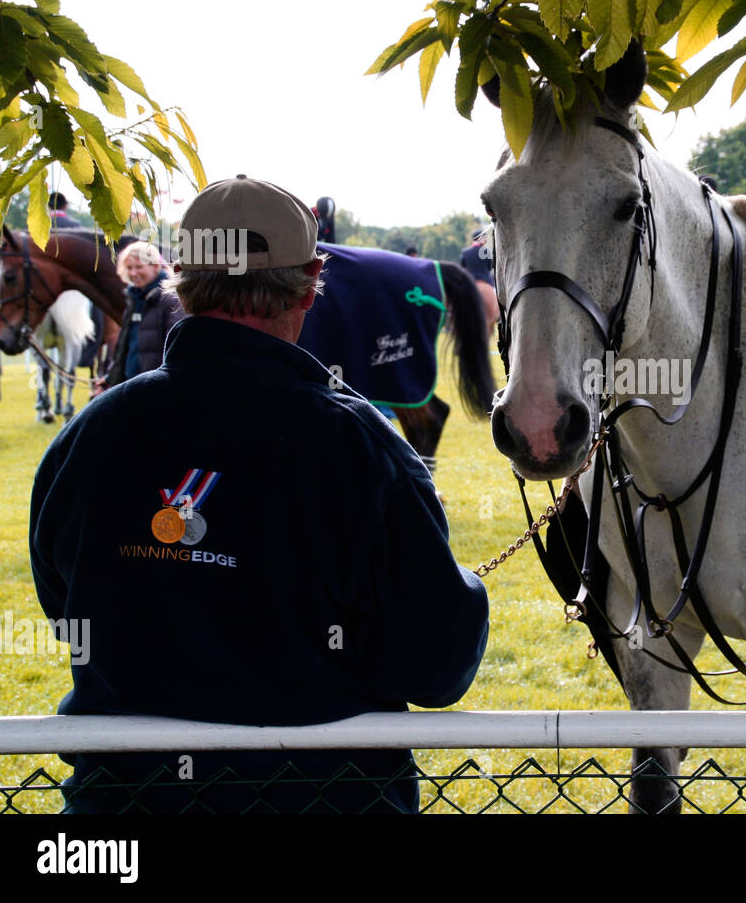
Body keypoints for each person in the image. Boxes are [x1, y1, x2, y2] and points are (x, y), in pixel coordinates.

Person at [30, 175, 489, 813]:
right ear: (311, 280)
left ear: (180, 278)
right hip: (323, 799)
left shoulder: (92, 433)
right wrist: (468, 587)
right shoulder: (361, 447)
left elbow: (64, 605)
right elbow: (435, 666)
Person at [98, 241, 185, 391]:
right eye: (129, 268)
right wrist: (110, 380)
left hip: (155, 389)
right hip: (133, 385)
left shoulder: (170, 300)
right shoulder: (133, 299)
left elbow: (176, 349)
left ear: (156, 266)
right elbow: (123, 349)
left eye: (138, 267)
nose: (133, 273)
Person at [459, 228, 499, 333]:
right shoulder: (487, 252)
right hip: (486, 282)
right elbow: (490, 267)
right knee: (500, 302)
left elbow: (462, 268)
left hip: (469, 283)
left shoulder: (465, 252)